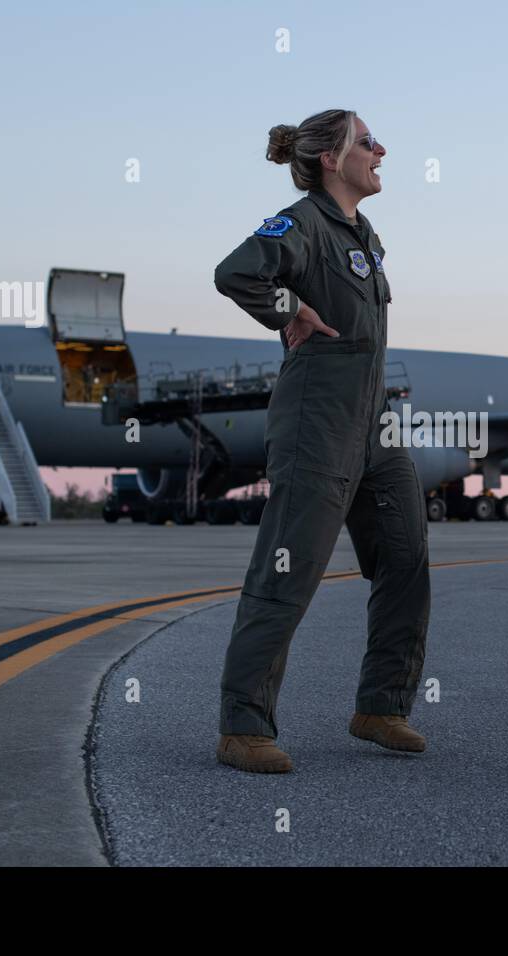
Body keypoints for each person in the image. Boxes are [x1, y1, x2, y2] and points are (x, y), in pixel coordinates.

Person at [212, 109, 431, 774]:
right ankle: (243, 727)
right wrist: (288, 310)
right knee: (287, 571)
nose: (381, 149)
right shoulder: (302, 222)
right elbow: (235, 272)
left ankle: (380, 707)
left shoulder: (363, 232)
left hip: (374, 424)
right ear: (333, 160)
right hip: (318, 424)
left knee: (405, 560)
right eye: (367, 142)